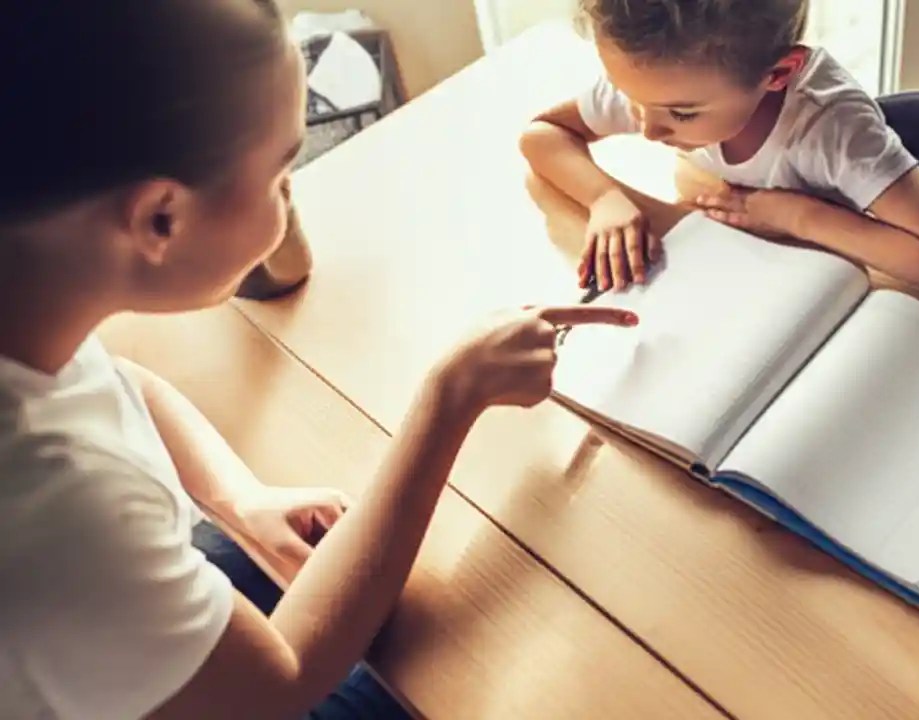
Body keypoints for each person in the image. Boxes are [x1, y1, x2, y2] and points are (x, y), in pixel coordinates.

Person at [0, 2, 637, 718]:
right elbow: (282, 680)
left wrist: (238, 499)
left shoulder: (30, 306)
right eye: (281, 176)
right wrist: (448, 398)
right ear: (159, 220)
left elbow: (123, 384)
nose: (289, 194)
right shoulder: (53, 507)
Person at [520, 0, 919, 296]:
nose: (648, 130)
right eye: (628, 97)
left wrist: (793, 215)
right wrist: (604, 198)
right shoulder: (662, 86)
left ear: (778, 74)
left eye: (682, 115)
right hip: (758, 266)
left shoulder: (829, 126)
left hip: (859, 272)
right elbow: (542, 136)